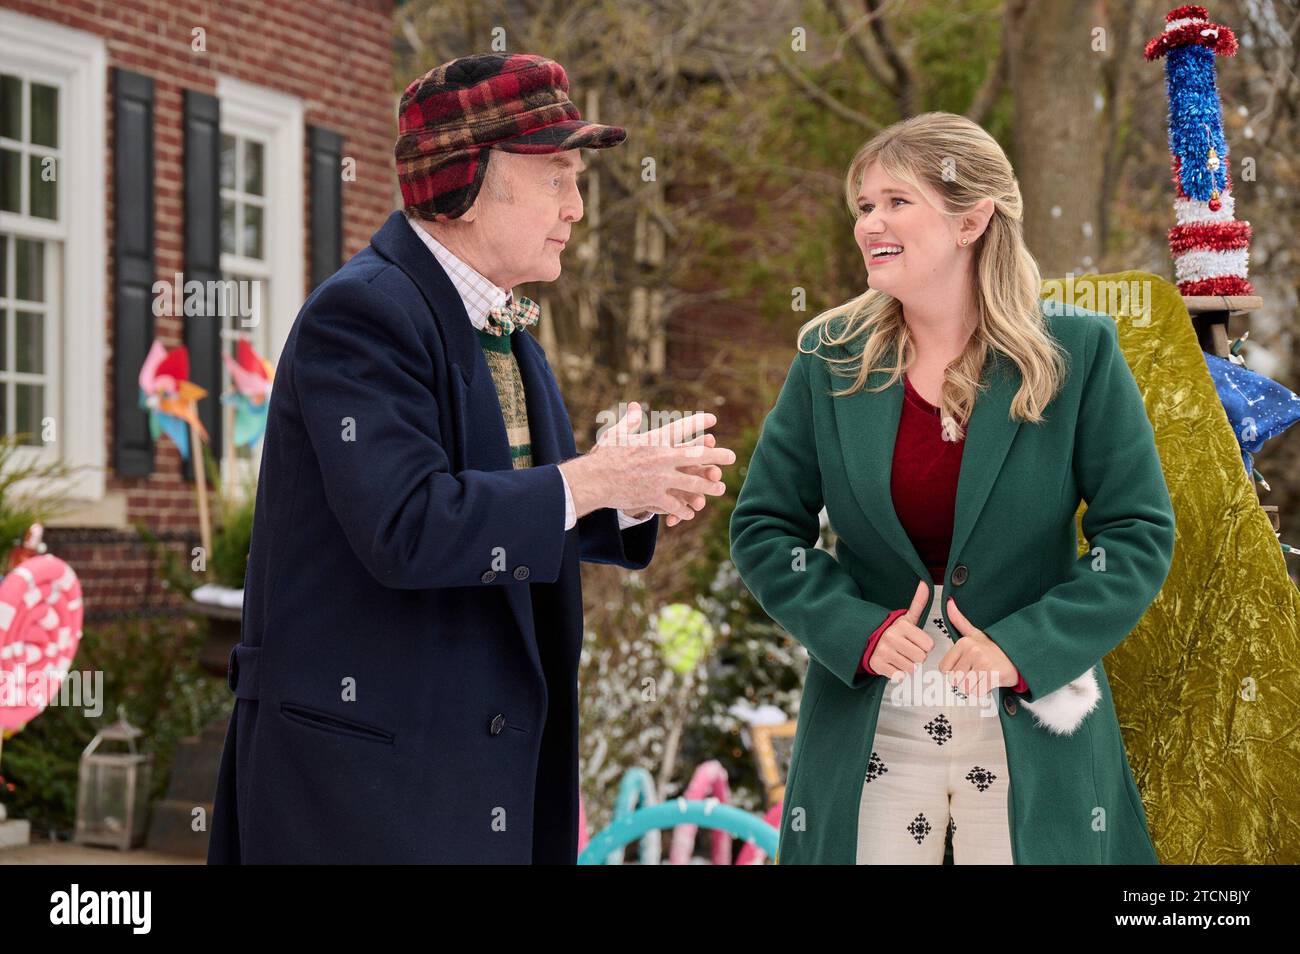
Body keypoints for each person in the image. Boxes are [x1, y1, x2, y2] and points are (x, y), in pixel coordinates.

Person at [208, 53, 735, 863]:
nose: (579, 206)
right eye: (558, 174)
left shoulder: (501, 321)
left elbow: (508, 506)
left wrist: (625, 491)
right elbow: (409, 525)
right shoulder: (362, 314)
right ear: (466, 180)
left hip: (478, 778)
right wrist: (590, 479)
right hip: (365, 790)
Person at [729, 112, 1176, 864]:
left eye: (897, 201)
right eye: (863, 206)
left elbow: (1136, 534)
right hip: (873, 708)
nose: (871, 221)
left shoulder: (1079, 352)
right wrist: (853, 628)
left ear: (972, 218)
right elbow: (767, 527)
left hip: (1028, 712)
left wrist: (1024, 647)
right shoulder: (828, 360)